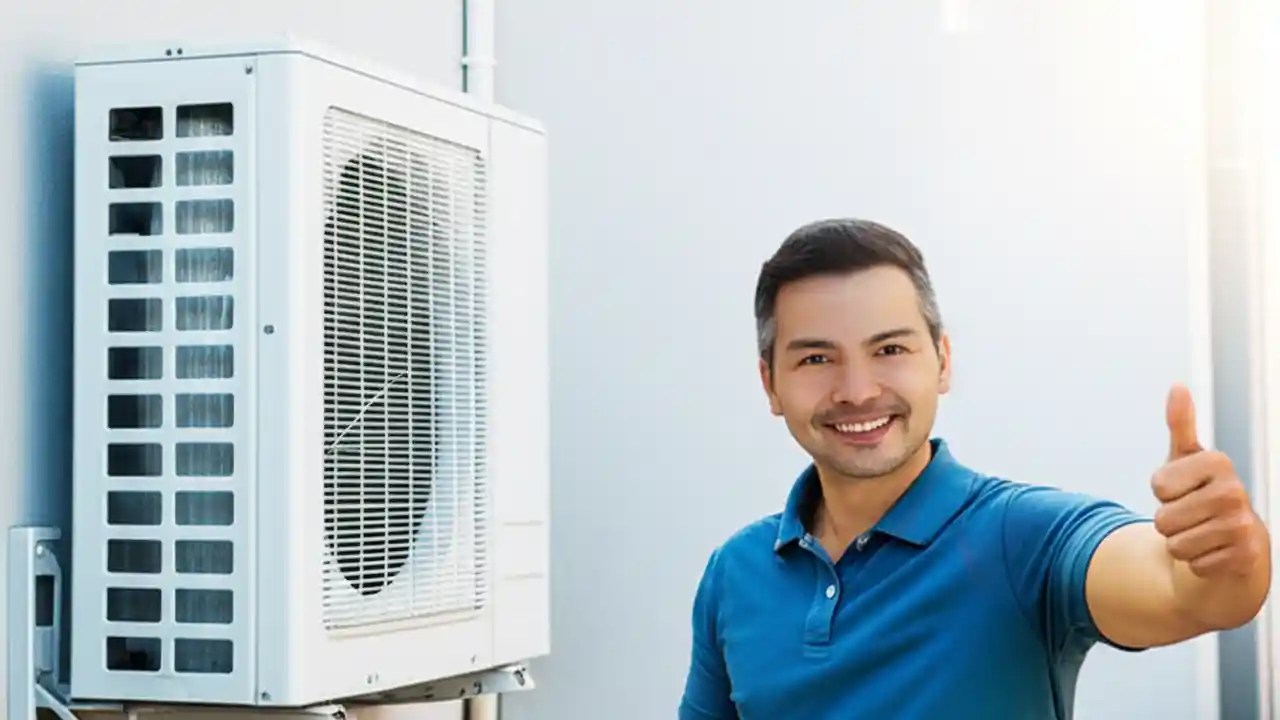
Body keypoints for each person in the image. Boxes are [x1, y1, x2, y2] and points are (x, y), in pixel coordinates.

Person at [677, 218, 1272, 719]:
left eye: (889, 350)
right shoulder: (734, 572)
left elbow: (1187, 594)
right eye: (816, 358)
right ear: (770, 383)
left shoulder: (1022, 536)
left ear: (941, 360)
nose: (857, 391)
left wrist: (1222, 562)